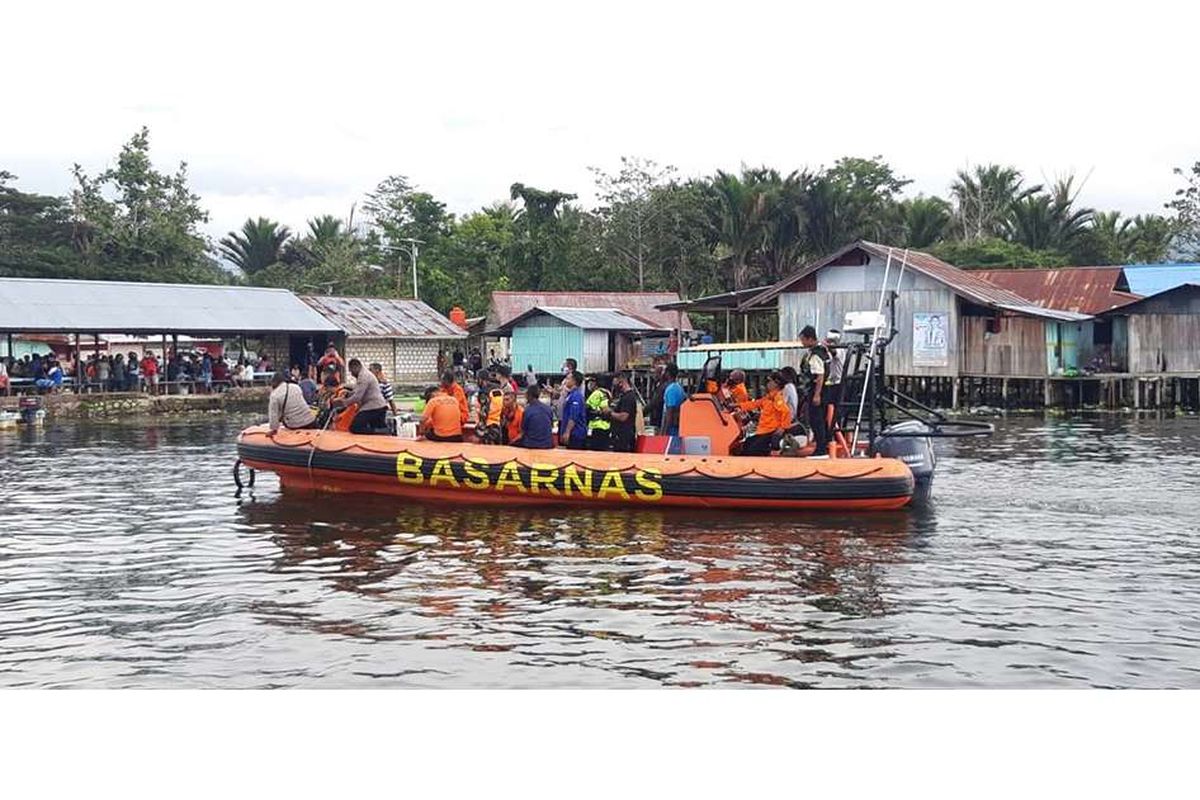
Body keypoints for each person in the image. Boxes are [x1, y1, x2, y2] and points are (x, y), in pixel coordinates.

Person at [737, 372, 792, 456]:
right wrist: (738, 405)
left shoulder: (776, 398)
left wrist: (782, 428)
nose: (768, 384)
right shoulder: (769, 397)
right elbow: (756, 404)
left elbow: (786, 412)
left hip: (769, 432)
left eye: (770, 381)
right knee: (747, 443)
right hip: (763, 431)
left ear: (776, 384)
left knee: (751, 451)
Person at [331, 359, 389, 434]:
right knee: (375, 428)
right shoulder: (363, 374)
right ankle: (381, 432)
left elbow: (357, 397)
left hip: (373, 407)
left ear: (355, 367)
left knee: (355, 427)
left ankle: (381, 431)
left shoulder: (364, 376)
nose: (351, 374)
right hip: (379, 406)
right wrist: (348, 393)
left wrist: (343, 403)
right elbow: (357, 390)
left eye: (351, 371)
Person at [799, 325, 830, 455]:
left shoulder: (816, 355)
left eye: (803, 340)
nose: (802, 343)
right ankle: (822, 445)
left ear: (810, 339)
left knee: (816, 419)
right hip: (820, 389)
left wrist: (816, 394)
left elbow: (820, 374)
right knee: (819, 419)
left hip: (816, 389)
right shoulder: (821, 351)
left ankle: (821, 449)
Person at [606, 372, 639, 453]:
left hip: (624, 438)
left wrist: (609, 413)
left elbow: (623, 417)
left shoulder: (628, 398)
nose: (614, 386)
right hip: (619, 436)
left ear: (621, 381)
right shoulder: (623, 396)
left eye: (615, 383)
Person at [559, 370, 588, 450]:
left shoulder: (576, 396)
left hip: (576, 434)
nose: (566, 381)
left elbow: (573, 416)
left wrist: (567, 432)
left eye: (568, 379)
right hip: (572, 433)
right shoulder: (570, 395)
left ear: (574, 381)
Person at [519, 384, 554, 449]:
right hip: (547, 444)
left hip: (532, 445)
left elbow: (523, 430)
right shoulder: (548, 409)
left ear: (528, 395)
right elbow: (551, 426)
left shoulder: (527, 410)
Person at [585, 375, 613, 451]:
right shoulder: (607, 393)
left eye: (591, 382)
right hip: (606, 426)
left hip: (597, 427)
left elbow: (587, 408)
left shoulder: (596, 393)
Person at [660, 363, 685, 437]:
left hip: (672, 429)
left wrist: (664, 432)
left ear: (668, 373)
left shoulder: (671, 390)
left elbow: (670, 411)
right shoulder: (679, 387)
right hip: (677, 426)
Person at [646, 361, 668, 428]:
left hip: (658, 416)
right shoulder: (658, 385)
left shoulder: (662, 387)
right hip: (657, 414)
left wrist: (642, 412)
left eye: (656, 373)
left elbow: (654, 402)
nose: (654, 375)